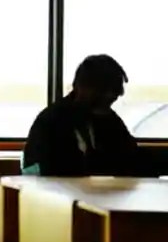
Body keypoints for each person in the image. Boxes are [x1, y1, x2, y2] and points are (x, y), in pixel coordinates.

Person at [23, 54, 162, 177]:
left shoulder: (108, 120)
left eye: (114, 93)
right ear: (81, 87)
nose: (110, 97)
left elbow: (132, 157)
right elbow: (46, 171)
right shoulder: (52, 122)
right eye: (104, 92)